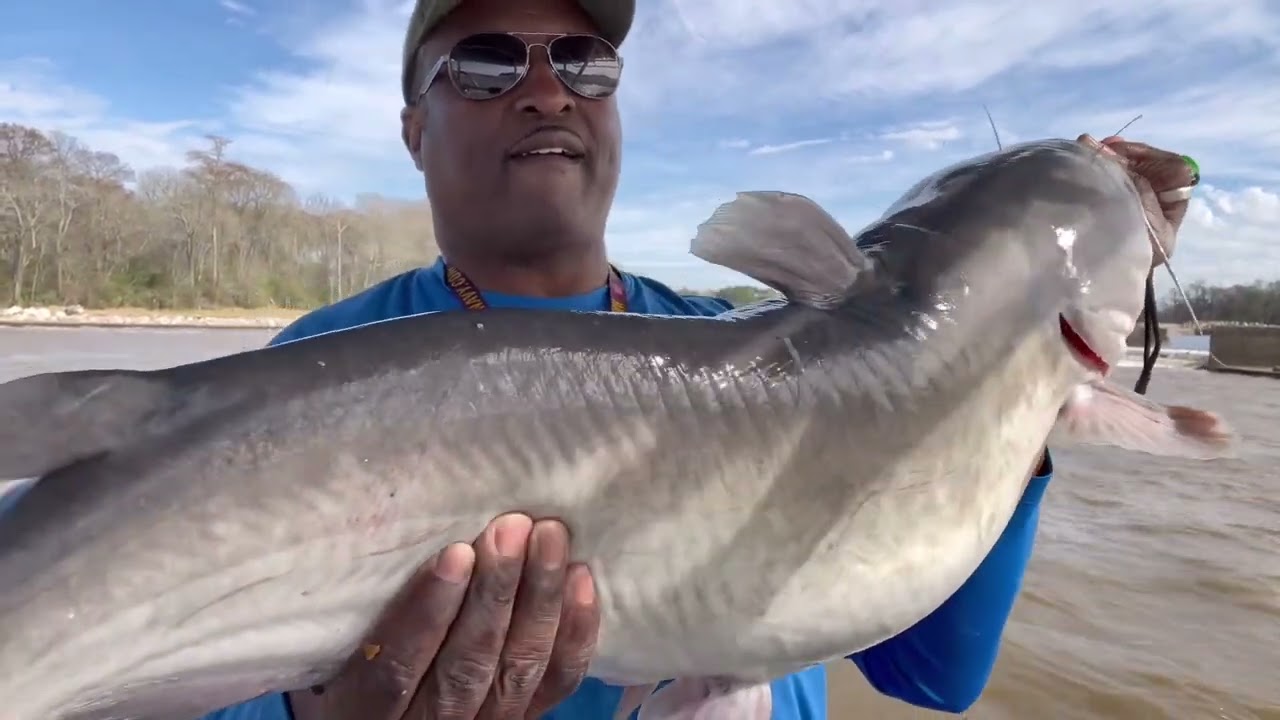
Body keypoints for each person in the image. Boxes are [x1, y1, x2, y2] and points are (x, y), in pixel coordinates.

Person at [186, 0, 1190, 718]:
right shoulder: (316, 370)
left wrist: (1014, 384)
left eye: (584, 63)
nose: (547, 91)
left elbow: (932, 678)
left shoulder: (752, 348)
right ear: (413, 130)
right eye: (488, 64)